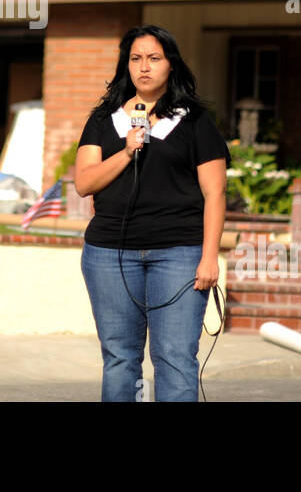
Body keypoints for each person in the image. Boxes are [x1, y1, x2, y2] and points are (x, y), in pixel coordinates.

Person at [74, 25, 228, 402]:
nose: (144, 67)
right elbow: (84, 182)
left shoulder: (195, 121)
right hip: (110, 254)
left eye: (154, 58)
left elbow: (215, 192)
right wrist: (127, 152)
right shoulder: (103, 120)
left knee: (174, 358)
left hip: (178, 254)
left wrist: (209, 257)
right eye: (136, 59)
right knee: (120, 359)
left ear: (171, 65)